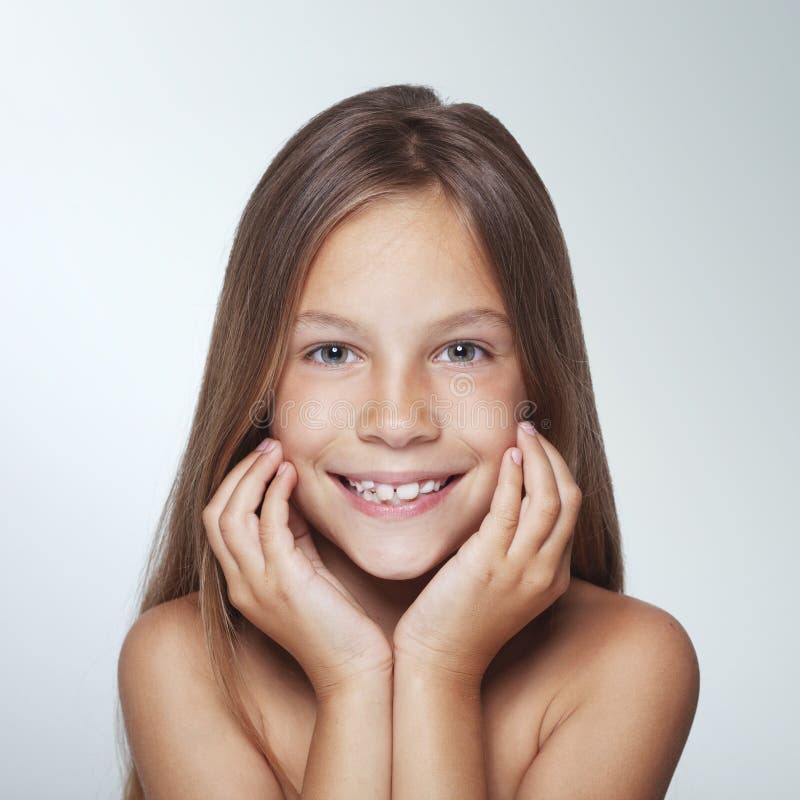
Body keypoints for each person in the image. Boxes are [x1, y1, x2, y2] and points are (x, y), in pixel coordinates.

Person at [116, 83, 700, 799]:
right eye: (332, 353)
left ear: (538, 384)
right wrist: (352, 679)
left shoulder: (630, 662)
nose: (397, 421)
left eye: (461, 351)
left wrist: (439, 666)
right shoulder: (181, 660)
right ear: (259, 389)